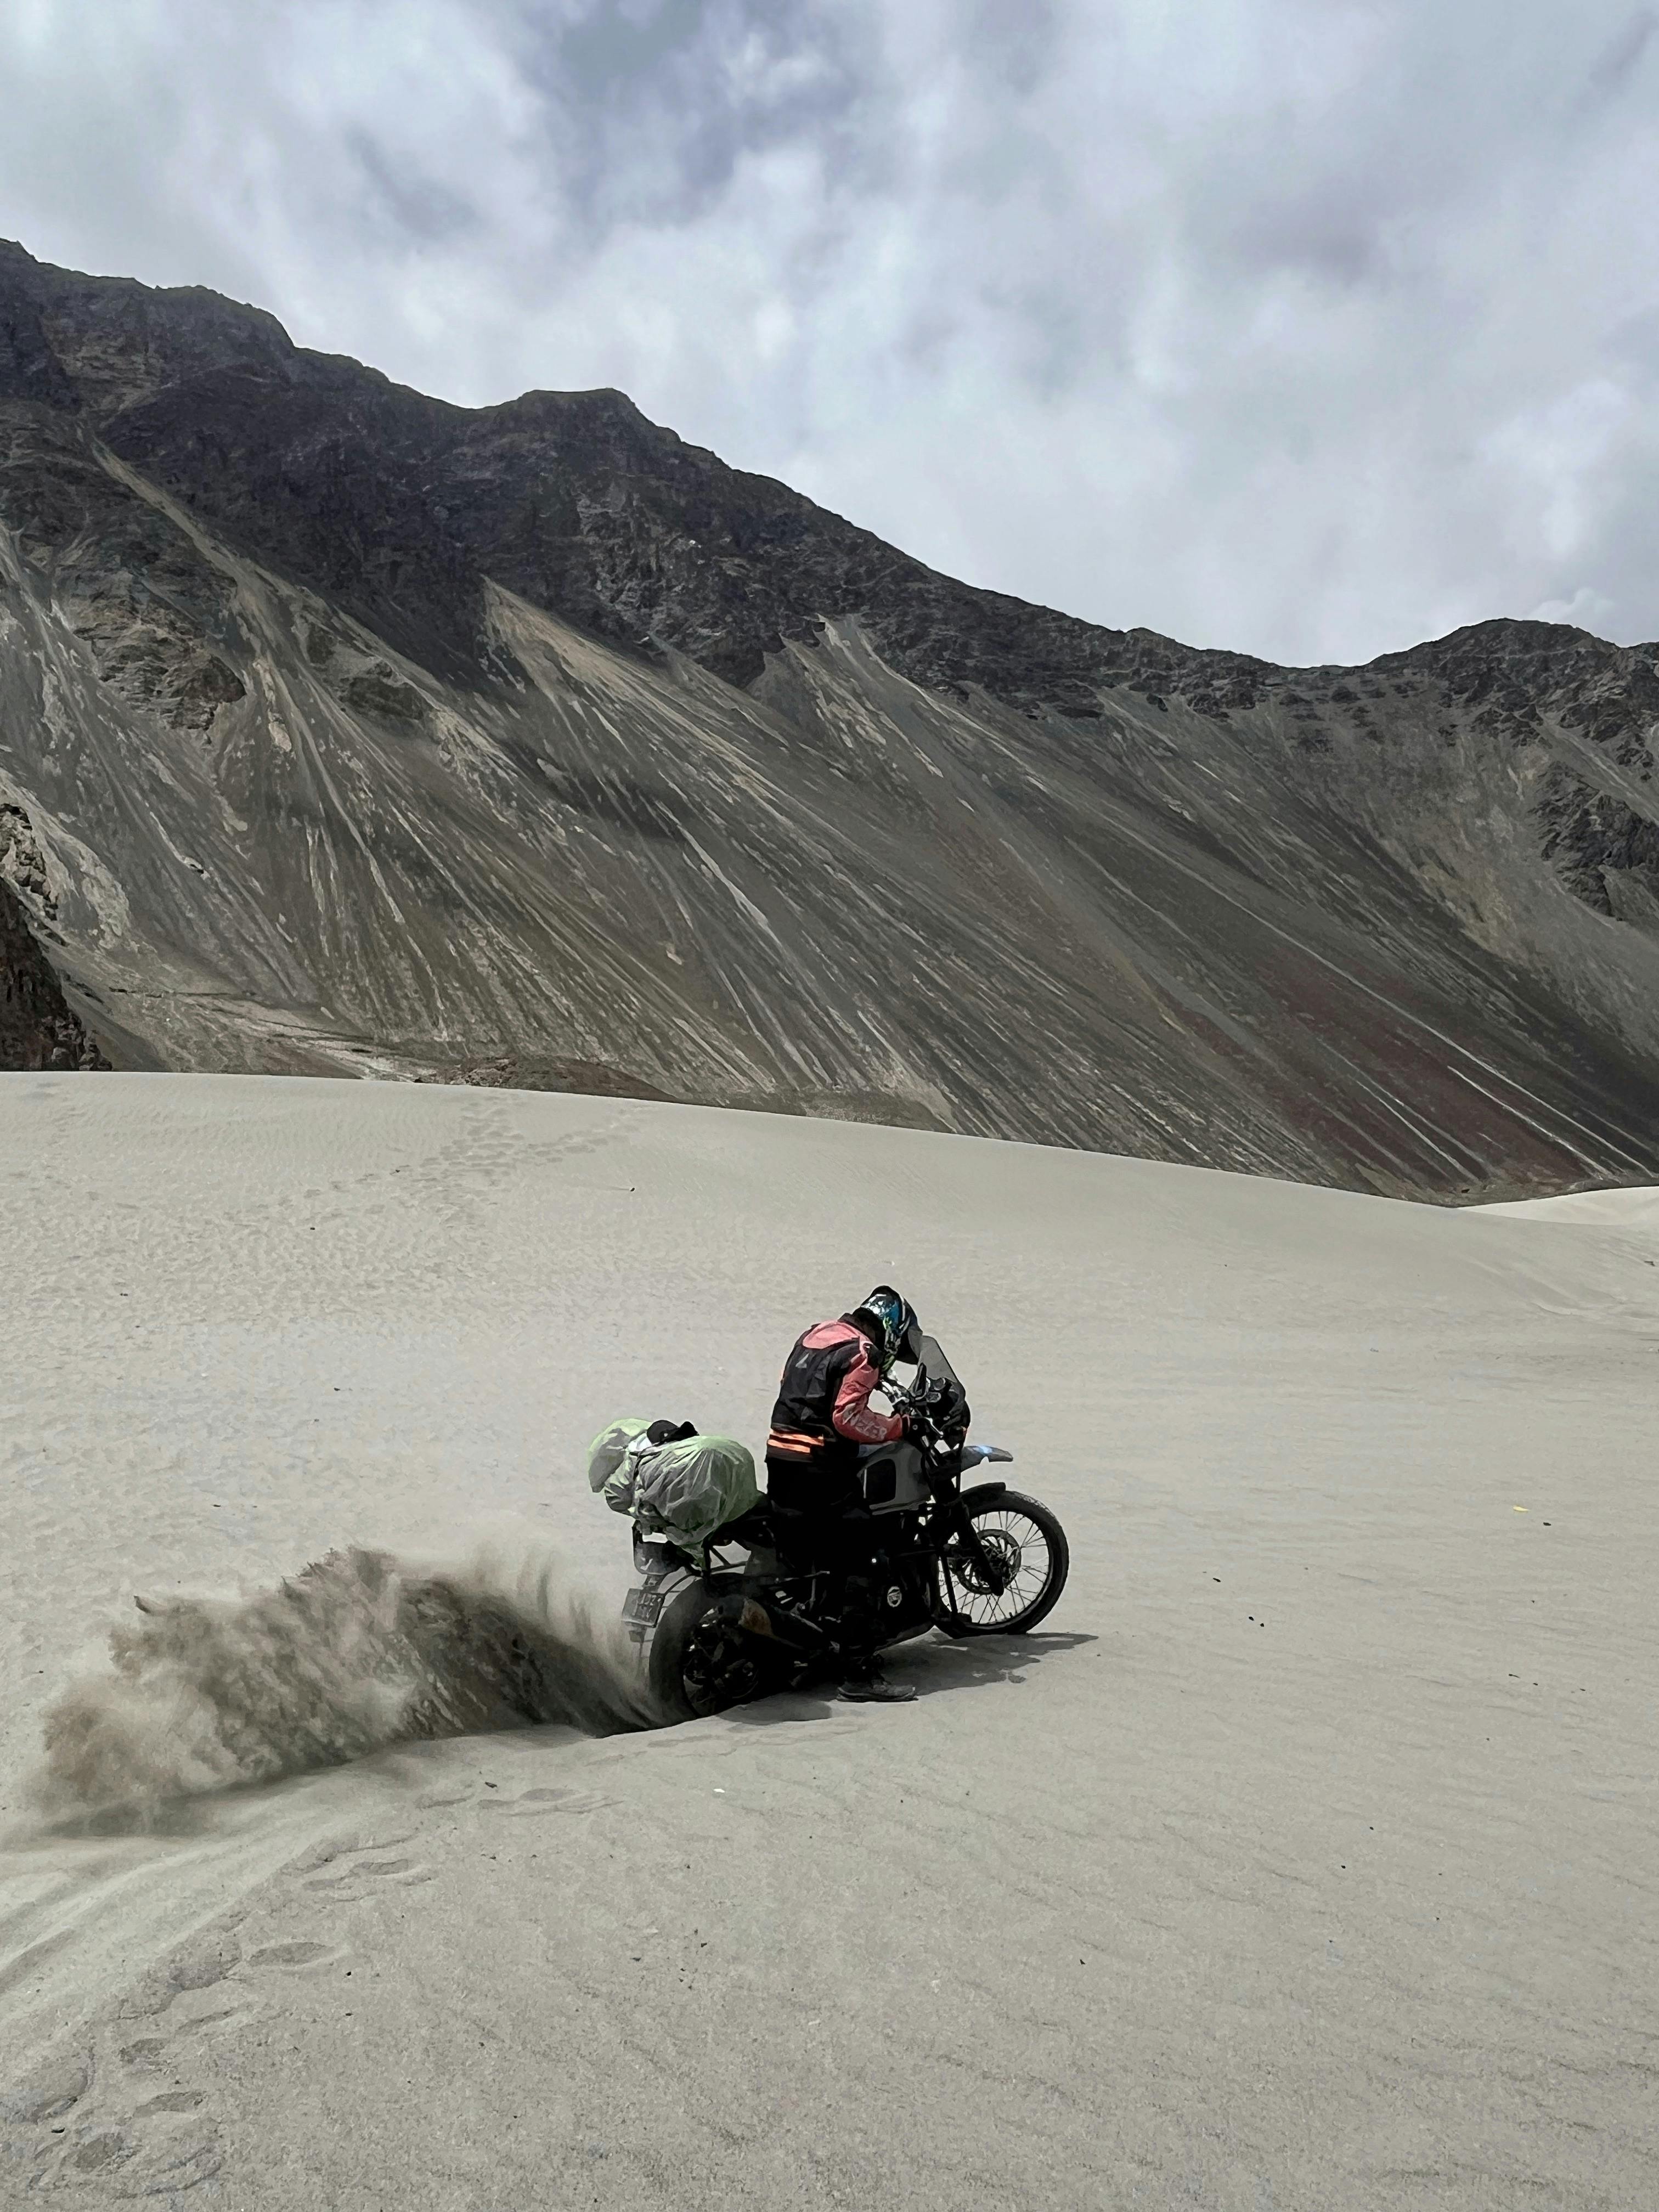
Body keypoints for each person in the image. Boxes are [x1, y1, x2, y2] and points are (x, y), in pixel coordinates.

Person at [765, 1285, 924, 1704]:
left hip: (781, 1460)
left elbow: (800, 1394)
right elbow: (848, 1417)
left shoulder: (816, 1334)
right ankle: (858, 1672)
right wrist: (898, 1428)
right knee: (868, 1558)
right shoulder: (864, 1353)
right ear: (892, 1329)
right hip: (819, 1469)